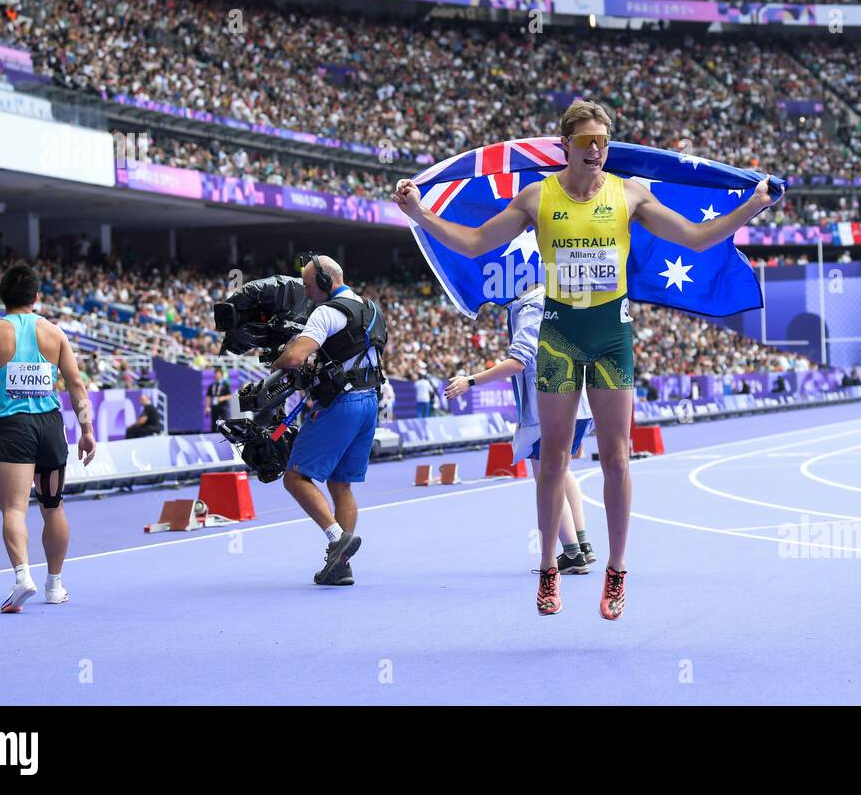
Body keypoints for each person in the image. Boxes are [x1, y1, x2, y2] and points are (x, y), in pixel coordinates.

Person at [394, 99, 773, 619]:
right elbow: (476, 242)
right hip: (559, 338)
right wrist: (420, 215)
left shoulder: (629, 193)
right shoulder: (537, 197)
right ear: (566, 146)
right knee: (553, 459)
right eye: (585, 141)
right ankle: (549, 569)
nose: (595, 149)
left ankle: (616, 572)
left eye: (602, 141)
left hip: (611, 337)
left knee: (617, 458)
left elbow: (697, 237)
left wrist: (752, 207)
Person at [0, 264, 96, 612]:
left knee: (14, 508)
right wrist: (87, 431)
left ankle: (23, 577)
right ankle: (55, 584)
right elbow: (77, 386)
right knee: (53, 507)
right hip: (50, 427)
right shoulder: (55, 334)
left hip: (14, 427)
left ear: (1, 296)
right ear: (36, 297)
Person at [444, 283, 598, 582]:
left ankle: (572, 553)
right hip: (578, 403)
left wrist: (470, 381)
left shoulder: (532, 308)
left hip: (548, 407)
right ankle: (582, 543)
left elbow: (518, 361)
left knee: (548, 478)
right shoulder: (567, 299)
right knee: (563, 471)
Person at [272, 254, 386, 588]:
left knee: (294, 477)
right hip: (369, 401)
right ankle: (341, 566)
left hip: (343, 403)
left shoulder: (326, 312)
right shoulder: (372, 308)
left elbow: (294, 358)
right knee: (340, 485)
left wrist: (277, 359)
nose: (306, 293)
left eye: (309, 286)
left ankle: (337, 538)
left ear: (326, 282)